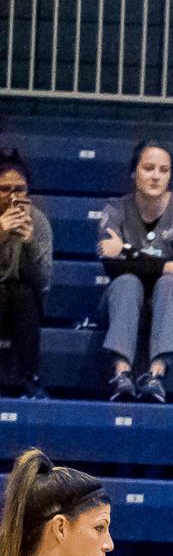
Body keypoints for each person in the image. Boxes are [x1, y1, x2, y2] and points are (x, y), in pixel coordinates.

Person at [98, 141, 173, 403]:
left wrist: (126, 250)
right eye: (148, 168)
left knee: (170, 283)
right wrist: (166, 265)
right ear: (134, 172)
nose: (156, 176)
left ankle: (155, 375)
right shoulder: (114, 208)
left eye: (163, 170)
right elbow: (111, 266)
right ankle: (121, 375)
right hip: (126, 302)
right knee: (126, 281)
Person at [0, 152, 51, 398]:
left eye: (19, 190)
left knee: (23, 293)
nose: (13, 196)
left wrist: (30, 245)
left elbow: (43, 282)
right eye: (4, 189)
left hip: (23, 305)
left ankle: (31, 378)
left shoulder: (38, 222)